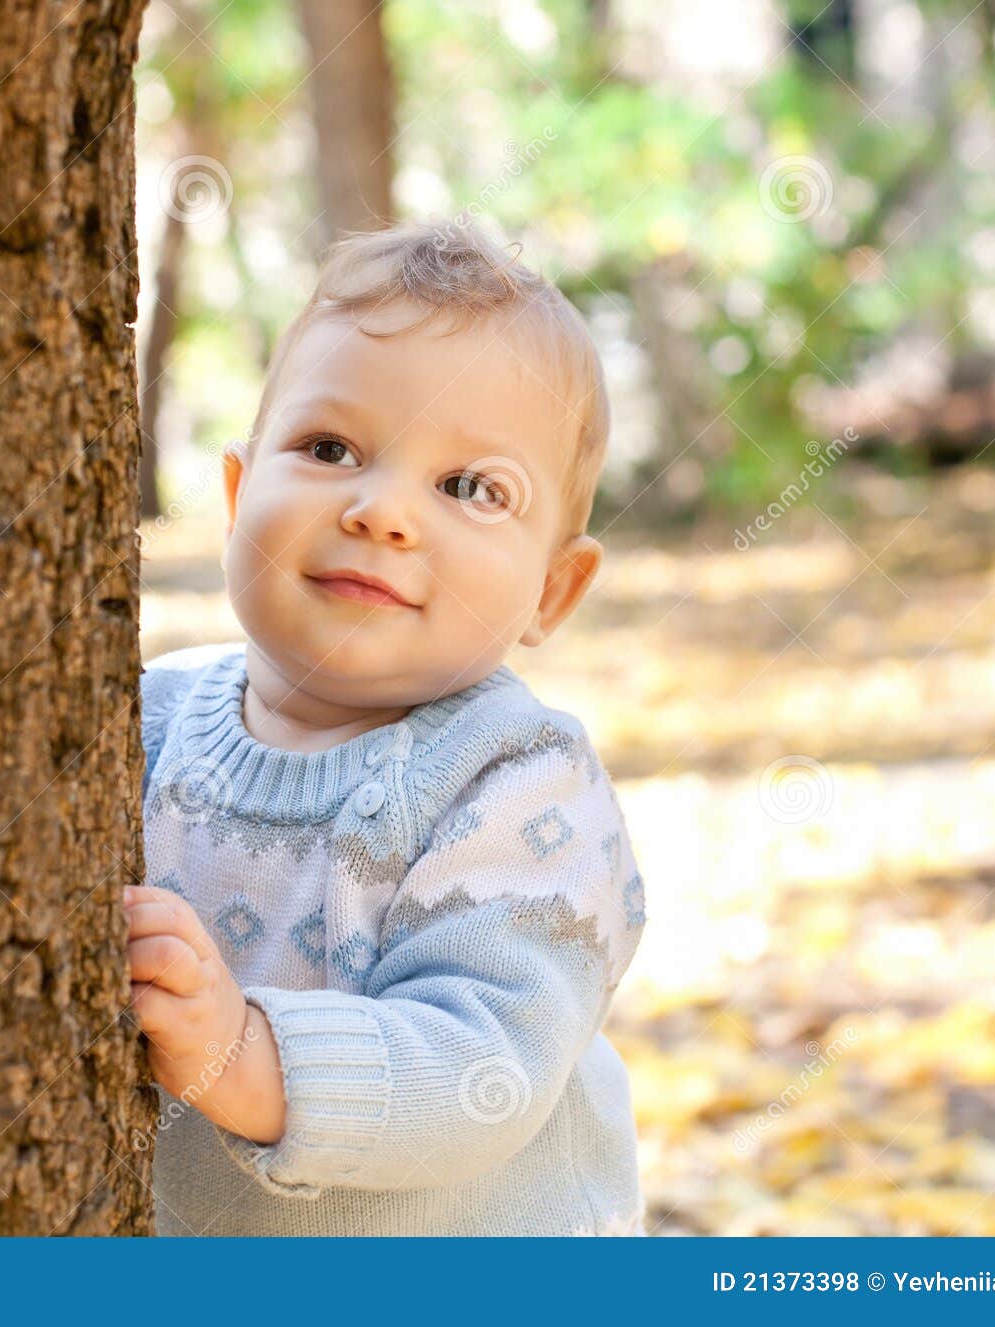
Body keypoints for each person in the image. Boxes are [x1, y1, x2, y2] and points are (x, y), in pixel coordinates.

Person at [129, 220, 647, 1236]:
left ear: (553, 588)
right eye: (329, 449)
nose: (382, 511)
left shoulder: (517, 780)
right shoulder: (141, 720)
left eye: (469, 488)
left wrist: (242, 1054)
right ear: (238, 497)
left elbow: (486, 1061)